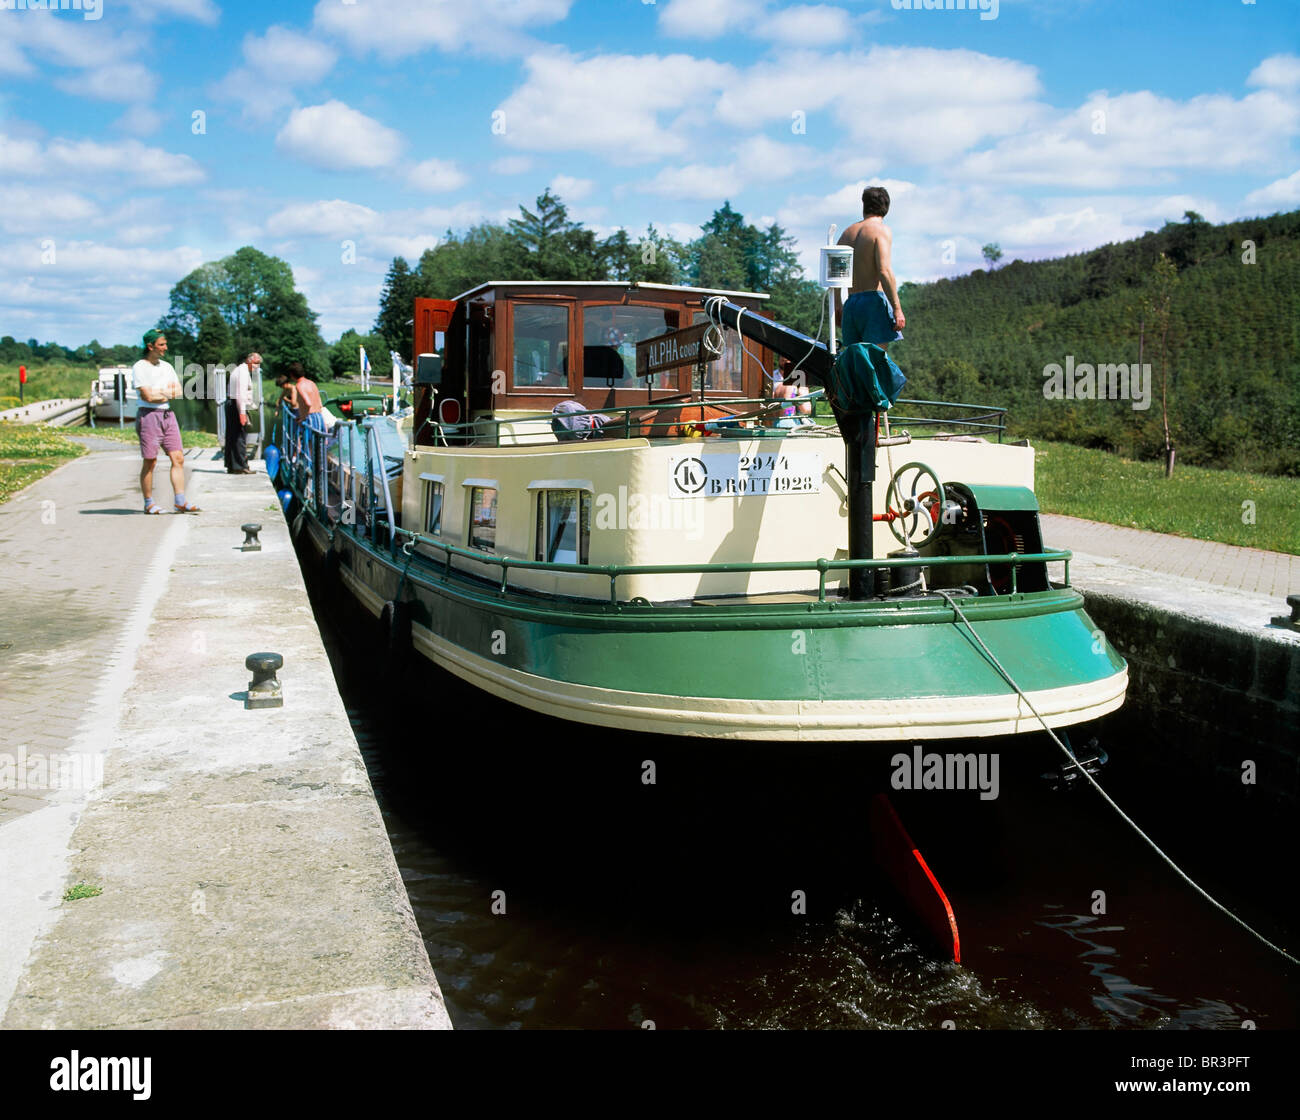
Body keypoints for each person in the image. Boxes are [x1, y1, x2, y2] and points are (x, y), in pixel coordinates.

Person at [133, 329, 198, 514]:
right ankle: (149, 503)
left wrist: (158, 393)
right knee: (150, 461)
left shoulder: (167, 367)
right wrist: (163, 393)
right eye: (161, 344)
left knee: (178, 458)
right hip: (149, 416)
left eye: (165, 344)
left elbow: (178, 391)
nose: (165, 348)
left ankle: (180, 501)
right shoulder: (140, 367)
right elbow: (146, 396)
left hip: (167, 415)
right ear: (150, 346)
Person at [836, 186, 906, 350]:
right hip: (873, 303)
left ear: (864, 206)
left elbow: (836, 273)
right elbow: (884, 271)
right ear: (886, 206)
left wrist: (838, 306)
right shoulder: (881, 231)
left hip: (851, 303)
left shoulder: (846, 233)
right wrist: (897, 309)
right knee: (875, 362)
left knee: (856, 364)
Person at [224, 351, 260, 474]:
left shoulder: (239, 370)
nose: (257, 366)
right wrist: (242, 413)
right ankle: (241, 466)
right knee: (239, 437)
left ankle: (232, 465)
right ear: (249, 361)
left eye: (259, 364)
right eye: (256, 363)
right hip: (236, 405)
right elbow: (240, 394)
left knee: (232, 437)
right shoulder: (243, 372)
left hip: (232, 404)